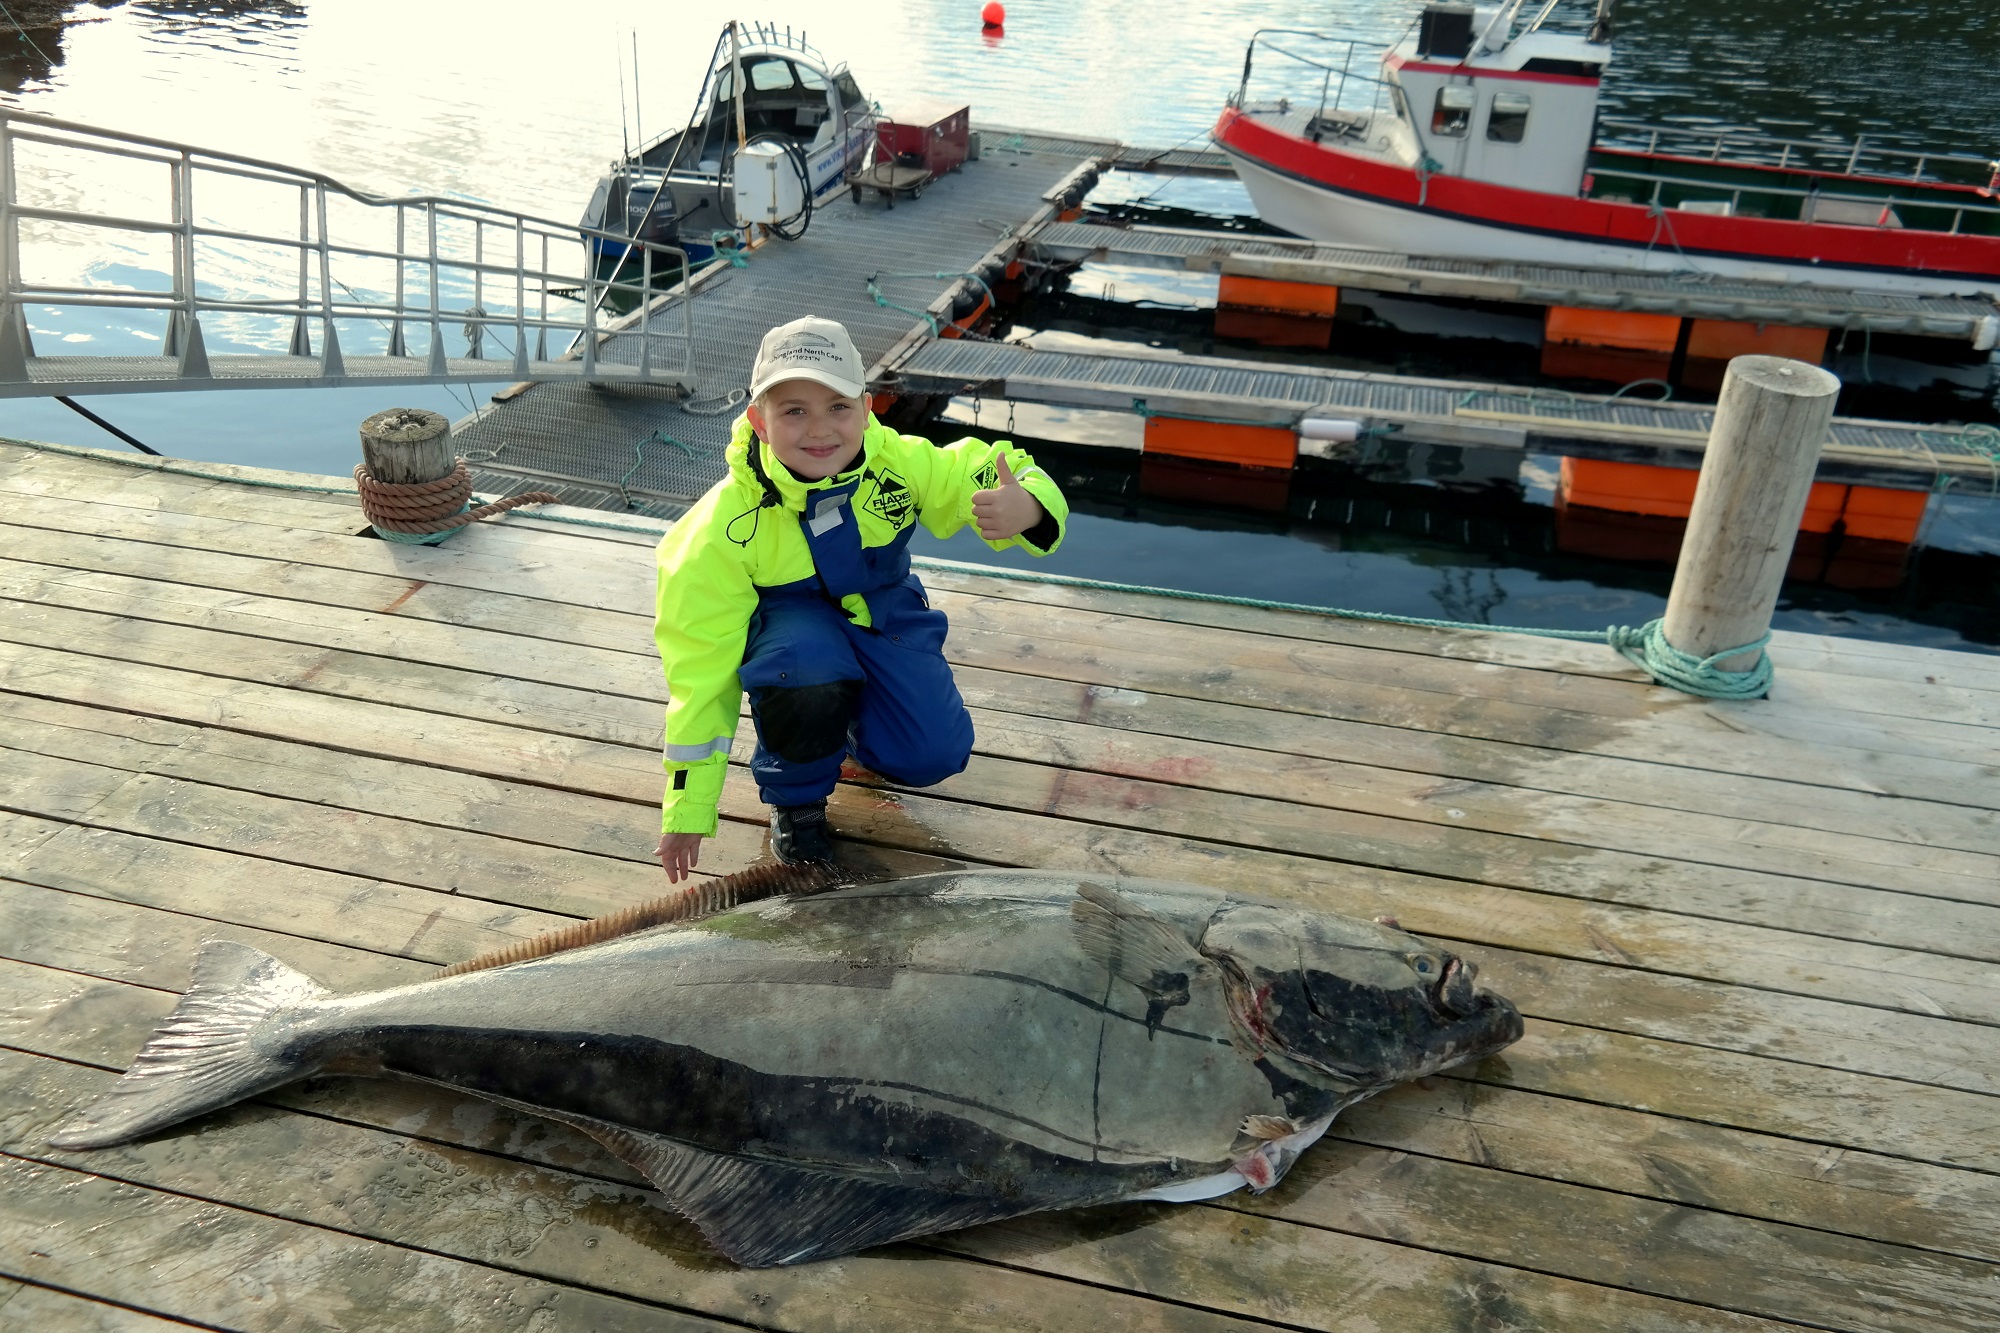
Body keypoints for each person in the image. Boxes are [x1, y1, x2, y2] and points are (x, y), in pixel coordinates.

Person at [652, 316, 1068, 879]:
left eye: (838, 407)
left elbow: (984, 467)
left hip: (881, 610)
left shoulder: (899, 462)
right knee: (806, 666)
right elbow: (700, 673)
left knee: (932, 755)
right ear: (759, 422)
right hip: (792, 630)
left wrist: (1030, 506)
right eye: (794, 410)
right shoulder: (715, 531)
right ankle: (798, 801)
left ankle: (849, 729)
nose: (820, 430)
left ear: (868, 409)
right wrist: (688, 806)